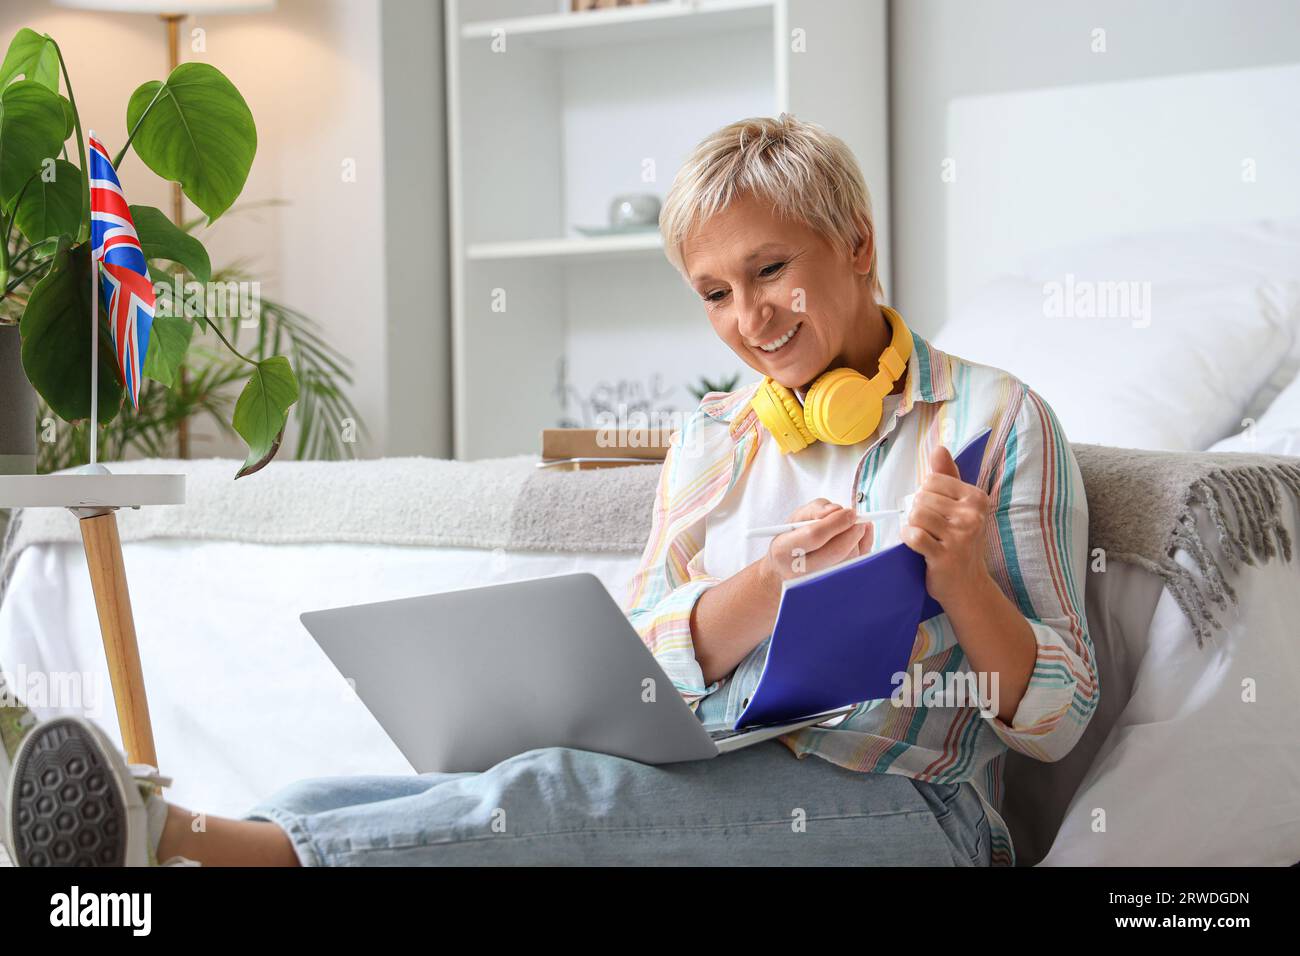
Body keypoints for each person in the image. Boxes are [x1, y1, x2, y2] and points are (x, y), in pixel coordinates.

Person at [0, 114, 1096, 867]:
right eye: (713, 291)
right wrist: (762, 583)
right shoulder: (716, 435)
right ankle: (175, 831)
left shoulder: (993, 422)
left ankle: (199, 852)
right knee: (511, 775)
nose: (748, 319)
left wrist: (959, 581)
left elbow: (1061, 714)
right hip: (720, 761)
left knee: (562, 799)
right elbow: (644, 651)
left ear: (856, 245)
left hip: (914, 811)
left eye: (770, 271)